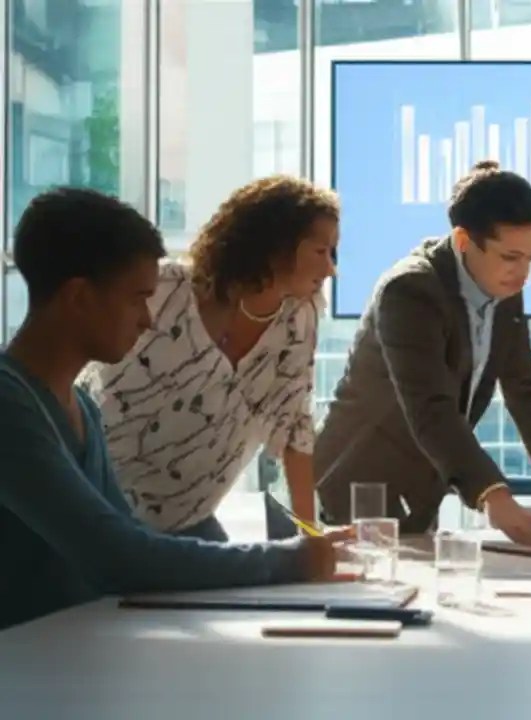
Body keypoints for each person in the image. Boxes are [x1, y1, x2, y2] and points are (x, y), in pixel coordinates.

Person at [0, 188, 343, 630]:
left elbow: (130, 541)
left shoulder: (82, 407)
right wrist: (291, 559)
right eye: (136, 298)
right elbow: (120, 556)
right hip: (26, 664)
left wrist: (302, 548)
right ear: (79, 297)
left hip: (76, 647)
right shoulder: (10, 403)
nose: (147, 319)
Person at [314, 161, 531, 548]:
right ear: (463, 240)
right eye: (510, 257)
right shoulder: (410, 290)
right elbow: (431, 407)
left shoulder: (503, 289)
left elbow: (527, 390)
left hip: (417, 495)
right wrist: (494, 496)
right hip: (353, 492)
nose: (523, 273)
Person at [79, 176, 338, 541]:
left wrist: (311, 537)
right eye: (320, 252)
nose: (331, 269)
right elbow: (85, 365)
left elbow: (296, 427)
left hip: (189, 518)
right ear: (276, 247)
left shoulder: (299, 319)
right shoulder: (165, 290)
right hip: (100, 507)